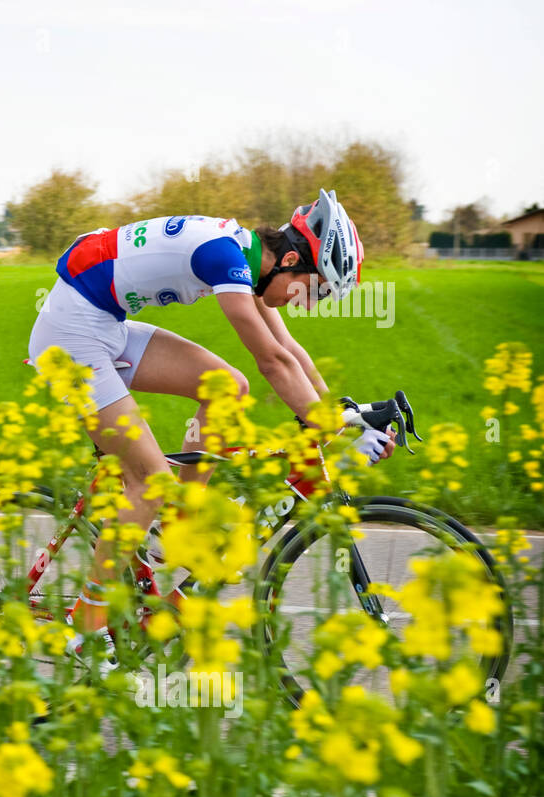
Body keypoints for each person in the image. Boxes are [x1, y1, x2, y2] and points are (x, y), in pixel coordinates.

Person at [27, 189, 394, 675]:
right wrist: (335, 426)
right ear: (289, 259)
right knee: (149, 479)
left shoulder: (248, 260)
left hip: (104, 324)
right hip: (70, 333)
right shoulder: (227, 258)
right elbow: (272, 361)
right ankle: (87, 625)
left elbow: (292, 350)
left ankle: (179, 524)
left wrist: (341, 411)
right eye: (314, 289)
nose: (308, 302)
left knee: (227, 387)